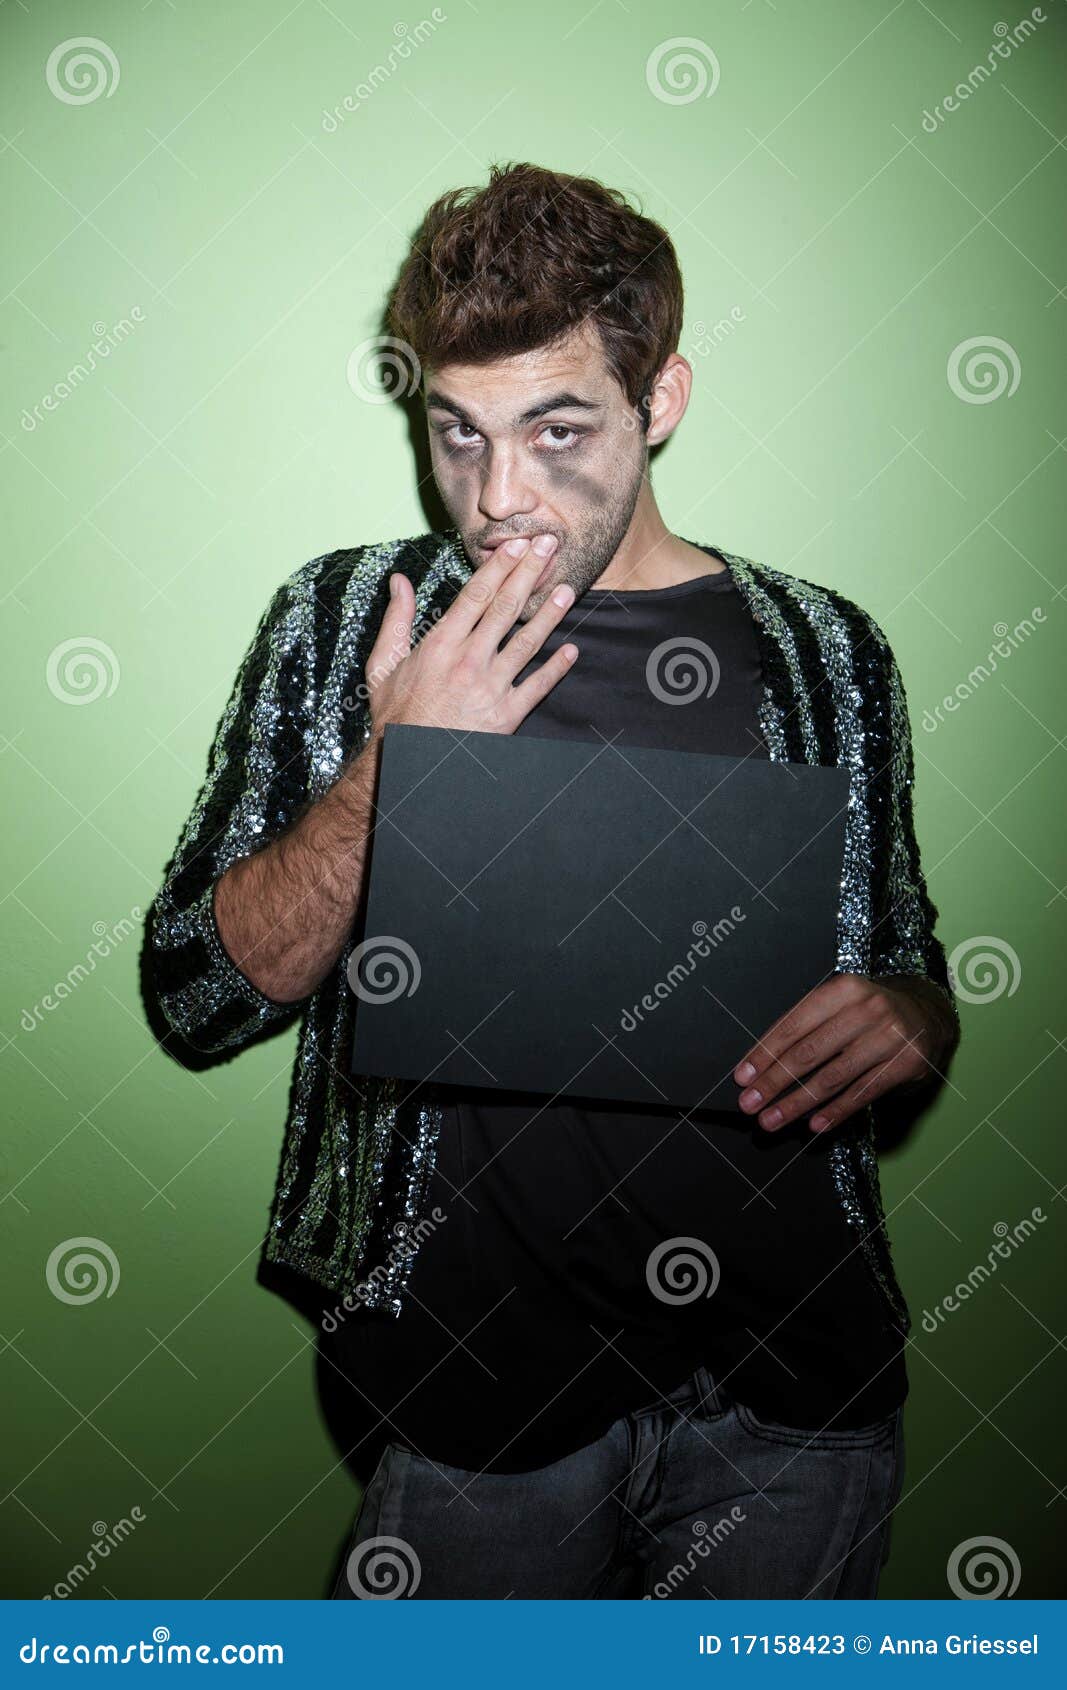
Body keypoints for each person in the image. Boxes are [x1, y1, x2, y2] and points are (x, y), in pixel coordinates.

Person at [145, 163, 960, 1600]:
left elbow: (907, 963)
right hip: (478, 1405)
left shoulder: (831, 650)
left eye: (558, 429)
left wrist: (911, 1016)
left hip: (795, 1403)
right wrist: (390, 773)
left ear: (664, 403)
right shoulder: (347, 624)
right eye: (455, 433)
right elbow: (196, 997)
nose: (498, 496)